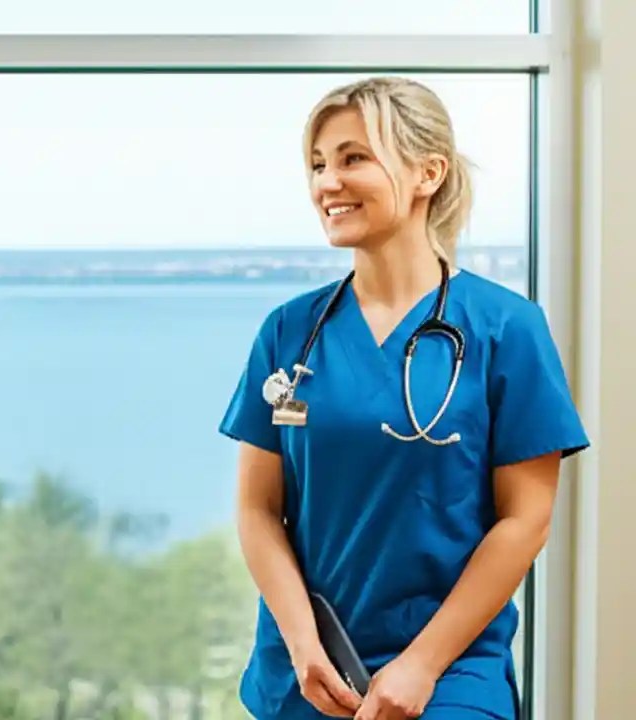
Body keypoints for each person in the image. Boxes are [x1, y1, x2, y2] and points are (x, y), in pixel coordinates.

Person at [218, 77, 589, 720]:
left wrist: (421, 665)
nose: (328, 183)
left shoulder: (506, 329)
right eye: (318, 164)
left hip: (448, 673)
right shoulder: (290, 331)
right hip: (309, 670)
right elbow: (258, 508)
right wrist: (303, 646)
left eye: (353, 158)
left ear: (428, 173)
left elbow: (525, 519)